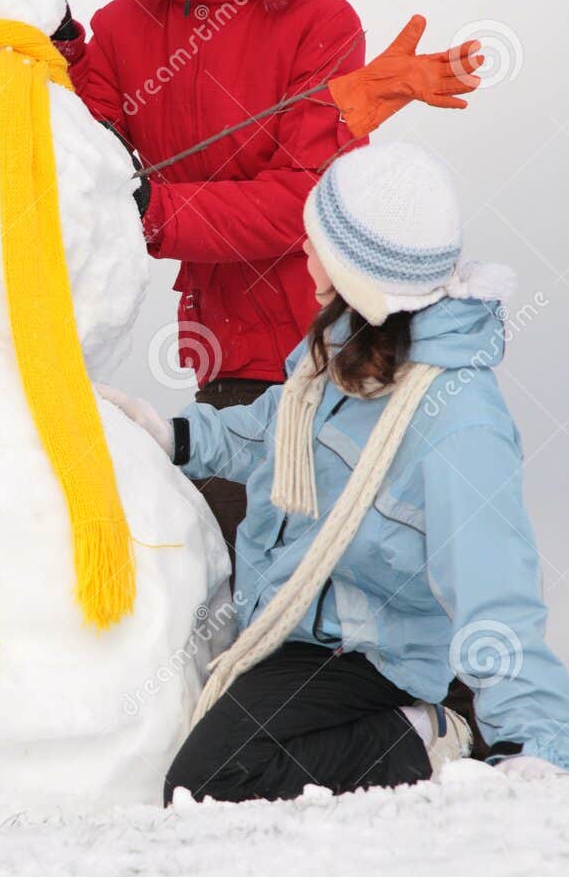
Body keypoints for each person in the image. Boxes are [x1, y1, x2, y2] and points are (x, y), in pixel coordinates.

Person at [100, 141, 569, 804]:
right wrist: (172, 436)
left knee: (210, 780)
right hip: (296, 625)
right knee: (216, 755)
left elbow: (496, 586)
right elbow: (273, 431)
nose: (303, 254)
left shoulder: (456, 418)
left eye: (316, 243)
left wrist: (537, 745)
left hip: (373, 654)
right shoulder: (343, 343)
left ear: (359, 269)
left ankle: (424, 734)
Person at [50, 0, 365, 566]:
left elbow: (304, 200)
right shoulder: (122, 30)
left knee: (363, 601)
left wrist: (153, 208)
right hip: (225, 375)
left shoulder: (320, 23)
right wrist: (47, 37)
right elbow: (74, 155)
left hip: (336, 364)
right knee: (217, 597)